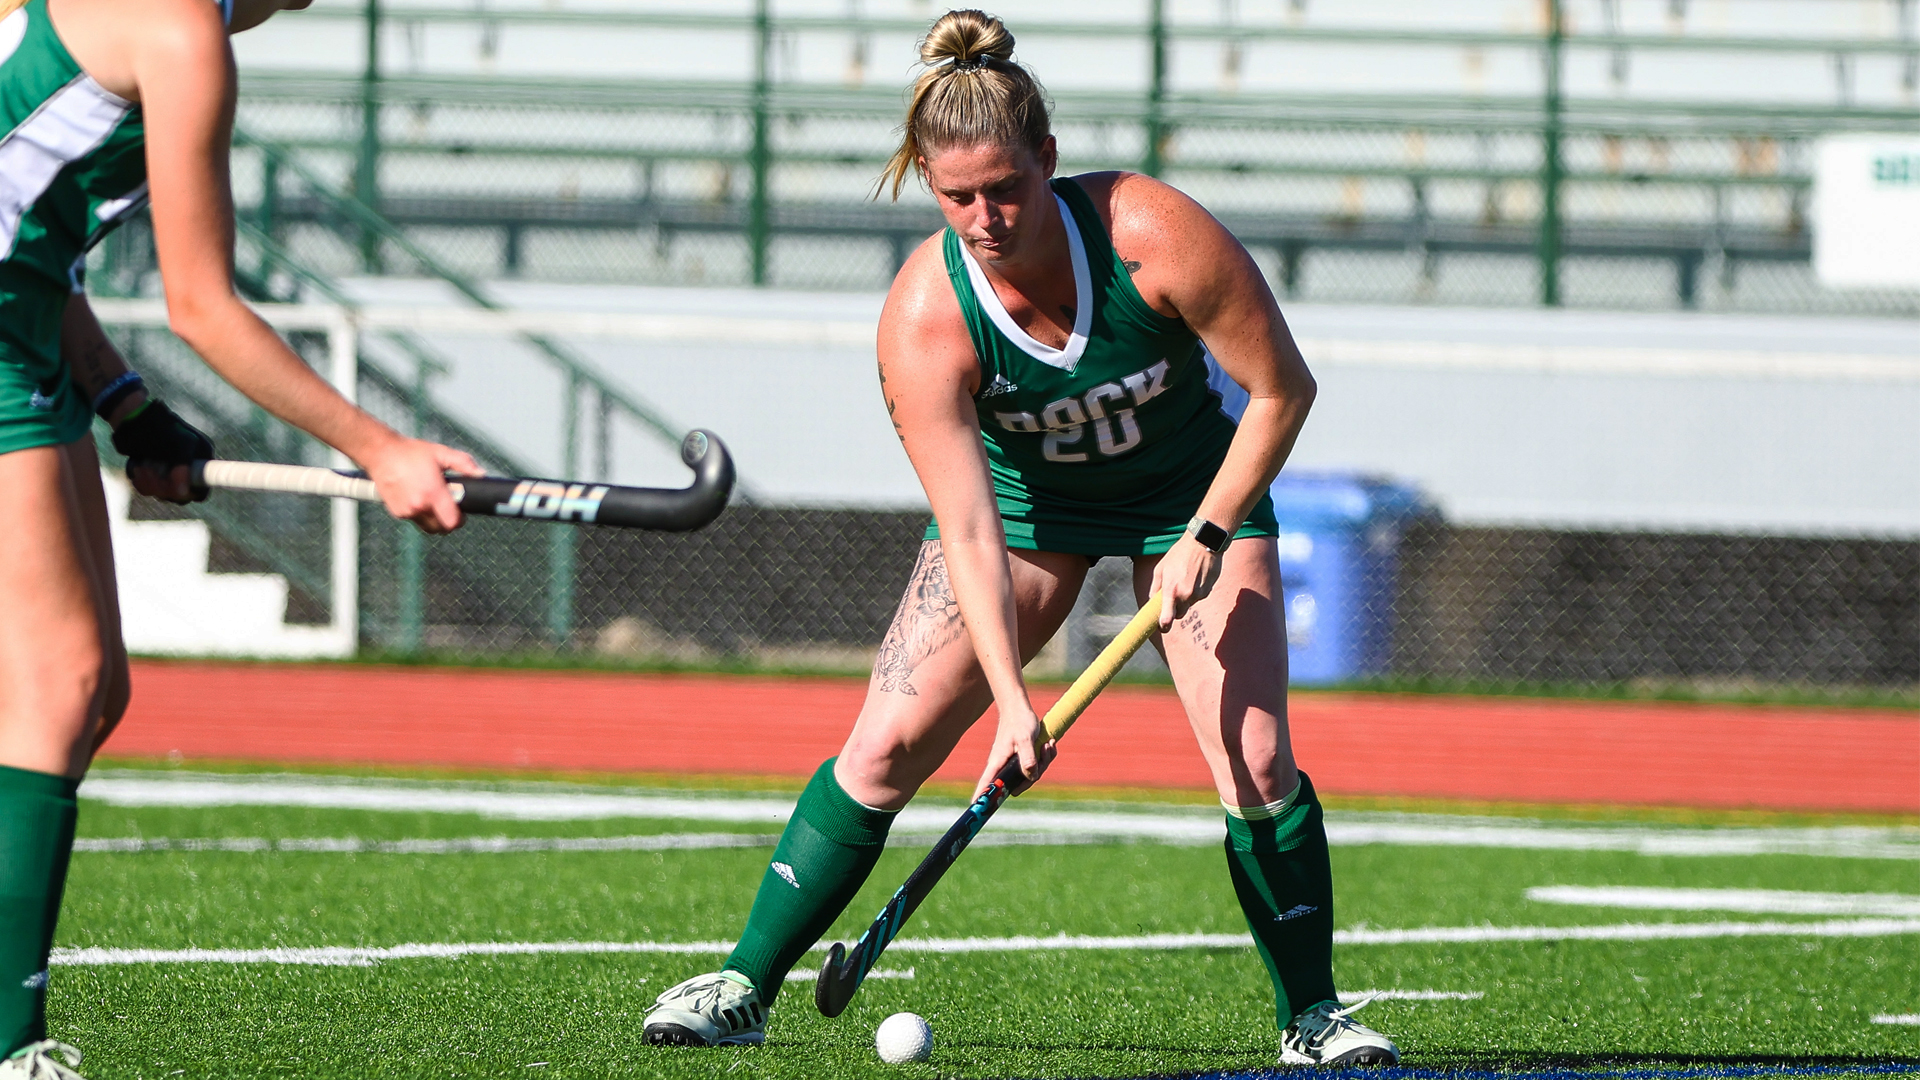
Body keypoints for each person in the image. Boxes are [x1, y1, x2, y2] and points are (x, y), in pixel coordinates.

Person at [642, 8, 1397, 1069]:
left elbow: (1282, 390)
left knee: (1256, 754)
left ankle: (1313, 1017)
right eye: (958, 196)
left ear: (1048, 157)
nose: (987, 217)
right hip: (1028, 515)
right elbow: (966, 524)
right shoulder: (925, 318)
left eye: (1006, 187)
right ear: (925, 182)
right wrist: (1010, 702)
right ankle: (741, 985)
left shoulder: (1152, 235)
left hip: (1195, 497)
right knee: (889, 744)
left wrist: (1207, 533)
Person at [0, 0, 479, 1072]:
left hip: (25, 332)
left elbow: (28, 229)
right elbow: (203, 306)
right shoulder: (178, 31)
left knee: (88, 694)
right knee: (60, 687)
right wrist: (380, 447)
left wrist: (125, 403)